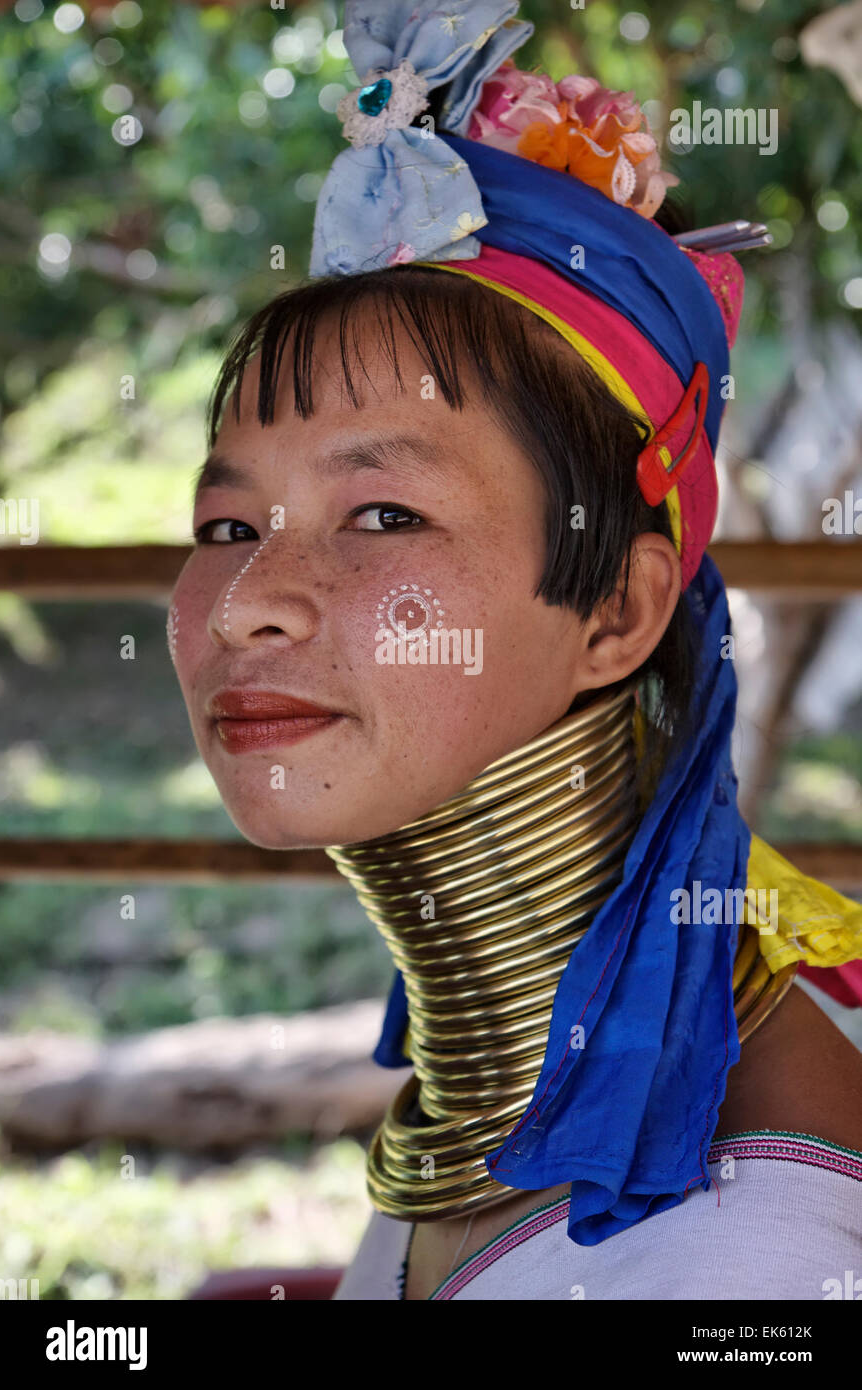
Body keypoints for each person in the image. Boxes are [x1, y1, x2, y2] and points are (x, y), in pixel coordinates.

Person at [168, 0, 862, 1299]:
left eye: (383, 512)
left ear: (616, 608)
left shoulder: (745, 1259)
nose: (247, 597)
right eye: (225, 519)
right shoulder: (490, 1099)